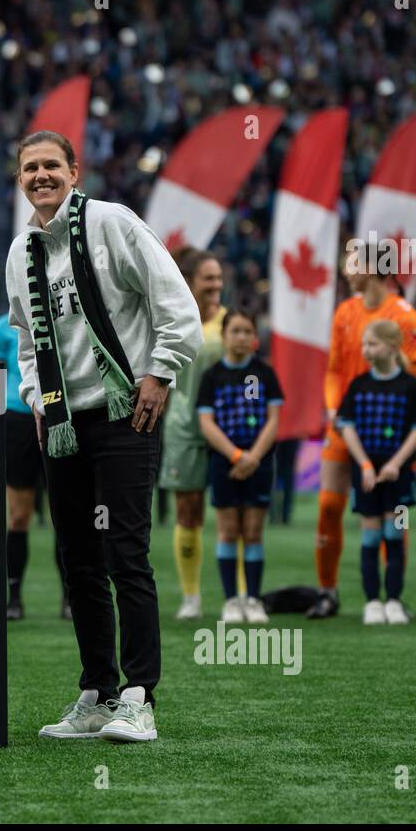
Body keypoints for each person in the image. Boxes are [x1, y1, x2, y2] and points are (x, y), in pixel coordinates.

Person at [7, 130, 201, 743]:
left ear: (74, 170)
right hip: (66, 425)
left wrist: (161, 371)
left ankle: (140, 697)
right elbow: (25, 340)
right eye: (30, 168)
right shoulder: (22, 253)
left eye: (50, 166)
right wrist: (38, 399)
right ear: (20, 179)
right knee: (79, 563)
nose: (41, 176)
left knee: (126, 555)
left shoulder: (112, 222)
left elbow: (176, 302)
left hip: (125, 414)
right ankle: (97, 692)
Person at [310, 251, 416, 619]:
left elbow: (412, 376)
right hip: (346, 425)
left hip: (389, 430)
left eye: (353, 262)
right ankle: (327, 592)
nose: (346, 269)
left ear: (374, 269)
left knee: (396, 513)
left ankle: (392, 597)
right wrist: (332, 408)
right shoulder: (344, 312)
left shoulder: (405, 316)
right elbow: (332, 370)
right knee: (329, 507)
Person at [334, 320, 416, 625]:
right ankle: (372, 602)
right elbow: (346, 426)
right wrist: (364, 464)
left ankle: (393, 599)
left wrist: (396, 464)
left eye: (372, 344)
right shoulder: (359, 385)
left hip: (399, 476)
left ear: (392, 347)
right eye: (364, 344)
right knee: (369, 536)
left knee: (395, 534)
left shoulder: (411, 387)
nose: (366, 350)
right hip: (366, 476)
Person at [159, 247, 233, 620]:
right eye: (208, 278)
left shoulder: (231, 324)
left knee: (232, 516)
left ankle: (239, 597)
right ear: (189, 282)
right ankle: (191, 597)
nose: (216, 285)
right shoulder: (174, 320)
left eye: (218, 277)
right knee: (188, 513)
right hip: (184, 427)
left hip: (228, 429)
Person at [195, 309, 283, 624]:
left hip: (259, 463)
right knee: (229, 531)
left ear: (255, 337)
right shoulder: (212, 376)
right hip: (224, 463)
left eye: (248, 331)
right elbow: (206, 423)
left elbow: (273, 420)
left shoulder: (266, 374)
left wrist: (253, 457)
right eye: (236, 331)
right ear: (224, 335)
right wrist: (235, 456)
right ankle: (232, 600)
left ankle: (254, 600)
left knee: (254, 531)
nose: (242, 337)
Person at [0, 308, 52, 620]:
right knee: (20, 515)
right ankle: (15, 597)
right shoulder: (2, 326)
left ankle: (69, 596)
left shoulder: (60, 312)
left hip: (60, 415)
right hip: (17, 420)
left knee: (68, 514)